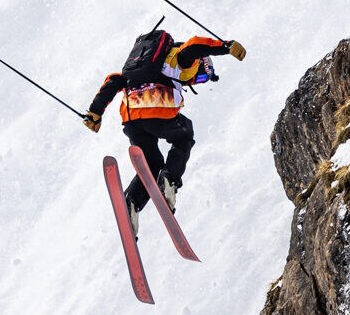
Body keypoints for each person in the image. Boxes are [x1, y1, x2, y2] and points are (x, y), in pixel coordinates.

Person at [84, 33, 246, 231]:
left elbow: (115, 81)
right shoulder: (181, 59)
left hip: (131, 120)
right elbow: (194, 46)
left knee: (152, 165)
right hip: (157, 110)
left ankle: (132, 201)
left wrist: (95, 112)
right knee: (185, 135)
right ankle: (170, 178)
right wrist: (225, 47)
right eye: (203, 76)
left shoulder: (143, 66)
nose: (198, 81)